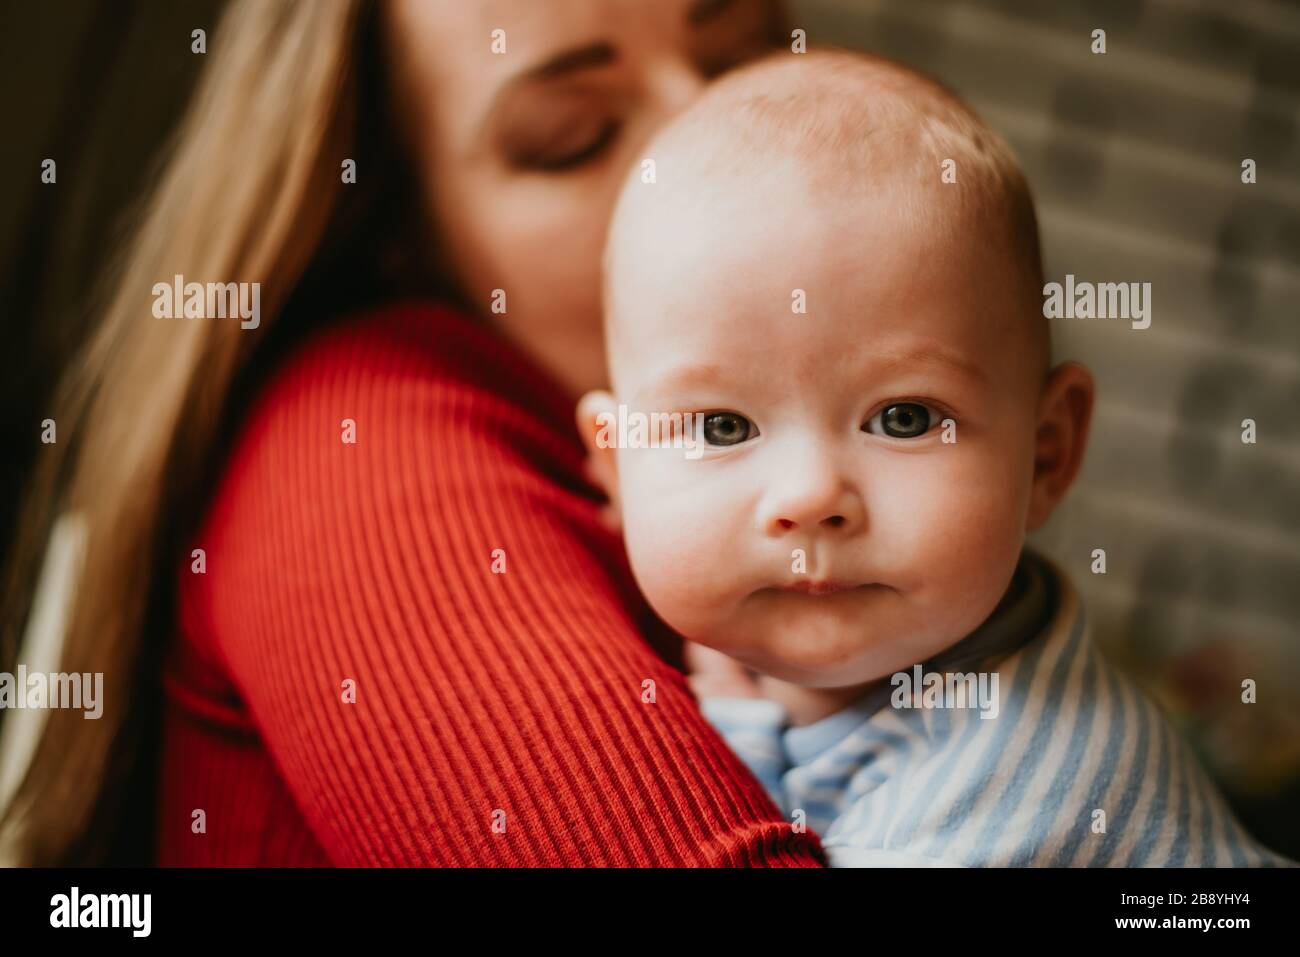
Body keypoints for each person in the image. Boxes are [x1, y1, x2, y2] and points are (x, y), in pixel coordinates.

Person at [0, 0, 826, 866]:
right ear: (407, 237)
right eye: (572, 135)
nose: (718, 145)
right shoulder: (356, 439)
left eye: (743, 57)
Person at [578, 50, 1295, 866]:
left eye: (905, 416)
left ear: (1045, 456)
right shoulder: (735, 659)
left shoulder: (1019, 791)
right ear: (615, 470)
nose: (811, 495)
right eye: (721, 428)